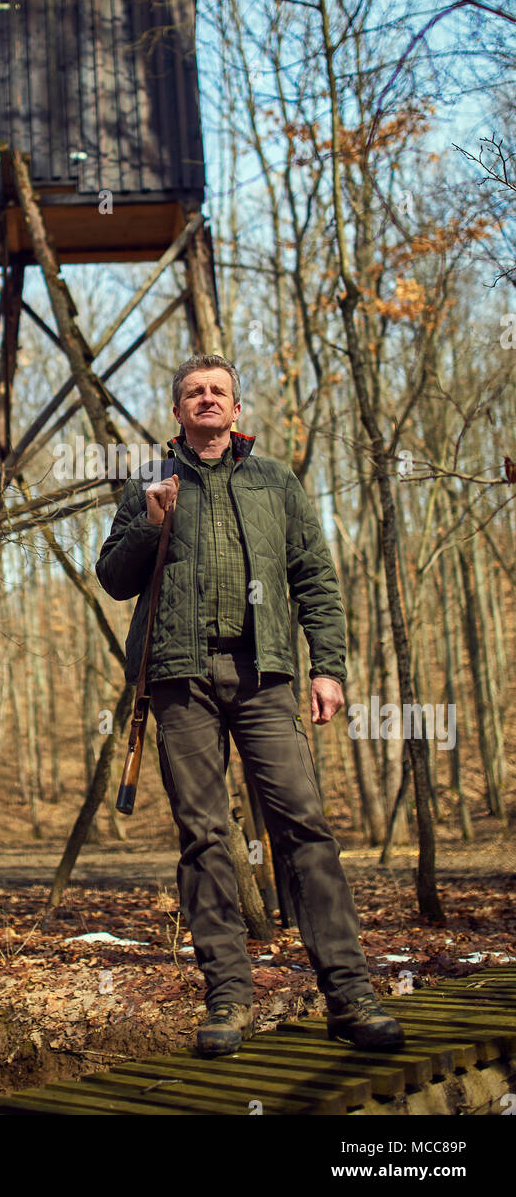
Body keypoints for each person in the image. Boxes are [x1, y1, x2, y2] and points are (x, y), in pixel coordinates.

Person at [95, 353, 404, 1056]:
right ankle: (227, 1001)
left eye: (219, 392)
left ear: (236, 411)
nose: (207, 400)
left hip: (264, 674)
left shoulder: (274, 480)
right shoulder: (148, 481)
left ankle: (350, 995)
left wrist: (328, 668)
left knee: (305, 826)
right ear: (176, 411)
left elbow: (313, 577)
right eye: (194, 393)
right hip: (179, 680)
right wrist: (147, 522)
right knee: (204, 836)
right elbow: (113, 579)